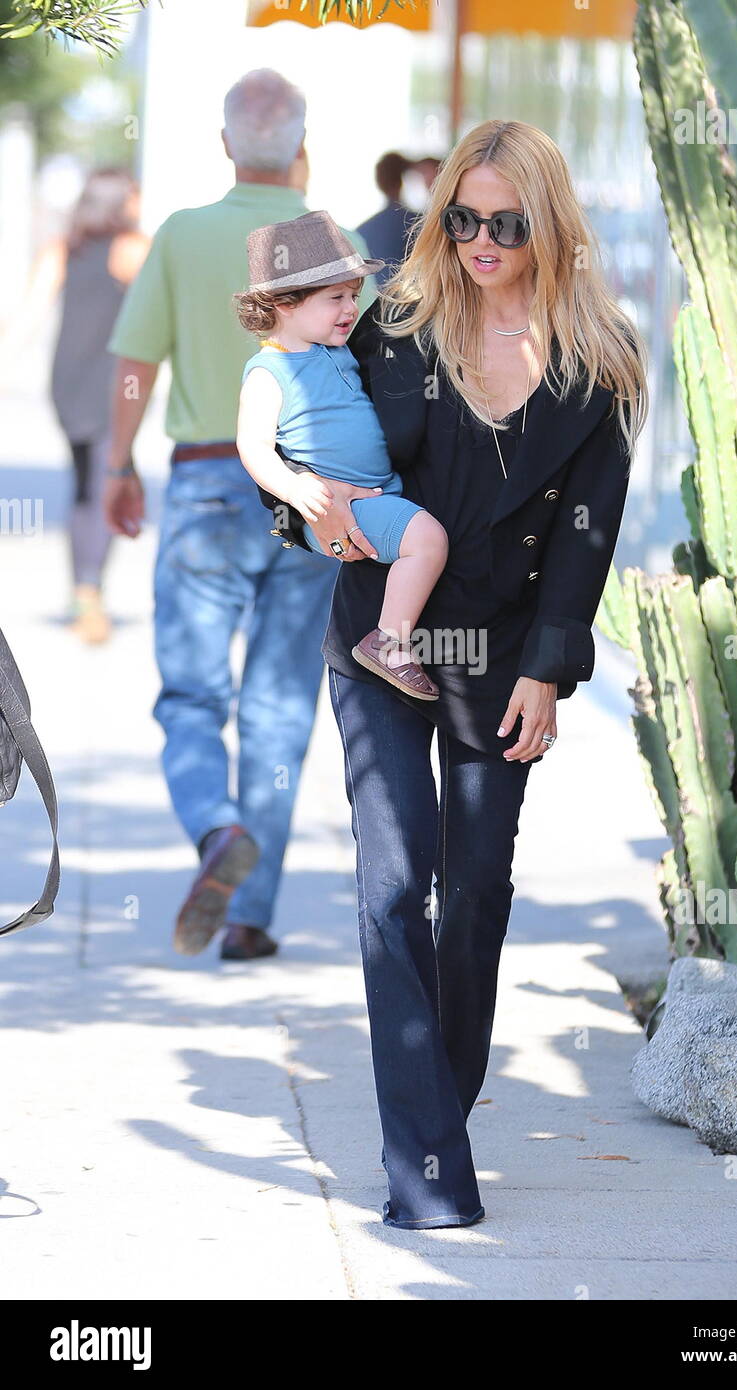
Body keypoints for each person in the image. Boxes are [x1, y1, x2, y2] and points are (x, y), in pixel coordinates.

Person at [297, 119, 648, 1228]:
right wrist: (308, 518)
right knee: (394, 881)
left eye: (505, 222)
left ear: (547, 225)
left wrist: (548, 670)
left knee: (475, 893)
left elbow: (586, 538)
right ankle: (427, 1167)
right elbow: (312, 455)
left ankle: (437, 1104)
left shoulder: (597, 366)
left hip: (500, 660)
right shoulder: (390, 329)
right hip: (383, 640)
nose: (481, 241)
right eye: (462, 218)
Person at [103, 69, 378, 962]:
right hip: (313, 499)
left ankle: (217, 829)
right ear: (302, 149)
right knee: (277, 705)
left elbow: (137, 365)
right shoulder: (337, 246)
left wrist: (117, 465)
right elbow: (372, 381)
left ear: (228, 145)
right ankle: (251, 915)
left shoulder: (182, 234)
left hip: (208, 486)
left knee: (191, 692)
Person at [234, 211, 448, 701]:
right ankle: (389, 642)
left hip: (372, 495)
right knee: (429, 542)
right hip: (334, 504)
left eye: (354, 295)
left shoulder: (335, 350)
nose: (351, 308)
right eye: (336, 298)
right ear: (283, 303)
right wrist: (293, 488)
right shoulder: (270, 371)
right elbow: (253, 446)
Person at [34, 168, 149, 642]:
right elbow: (153, 318)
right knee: (109, 480)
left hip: (66, 382)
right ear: (121, 200)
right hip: (110, 385)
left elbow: (29, 310)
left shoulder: (63, 248)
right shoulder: (134, 249)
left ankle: (84, 591)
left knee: (84, 484)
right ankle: (89, 594)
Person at [356, 152, 417, 290]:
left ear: (378, 182)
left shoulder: (360, 233)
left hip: (374, 308)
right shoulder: (421, 223)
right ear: (404, 179)